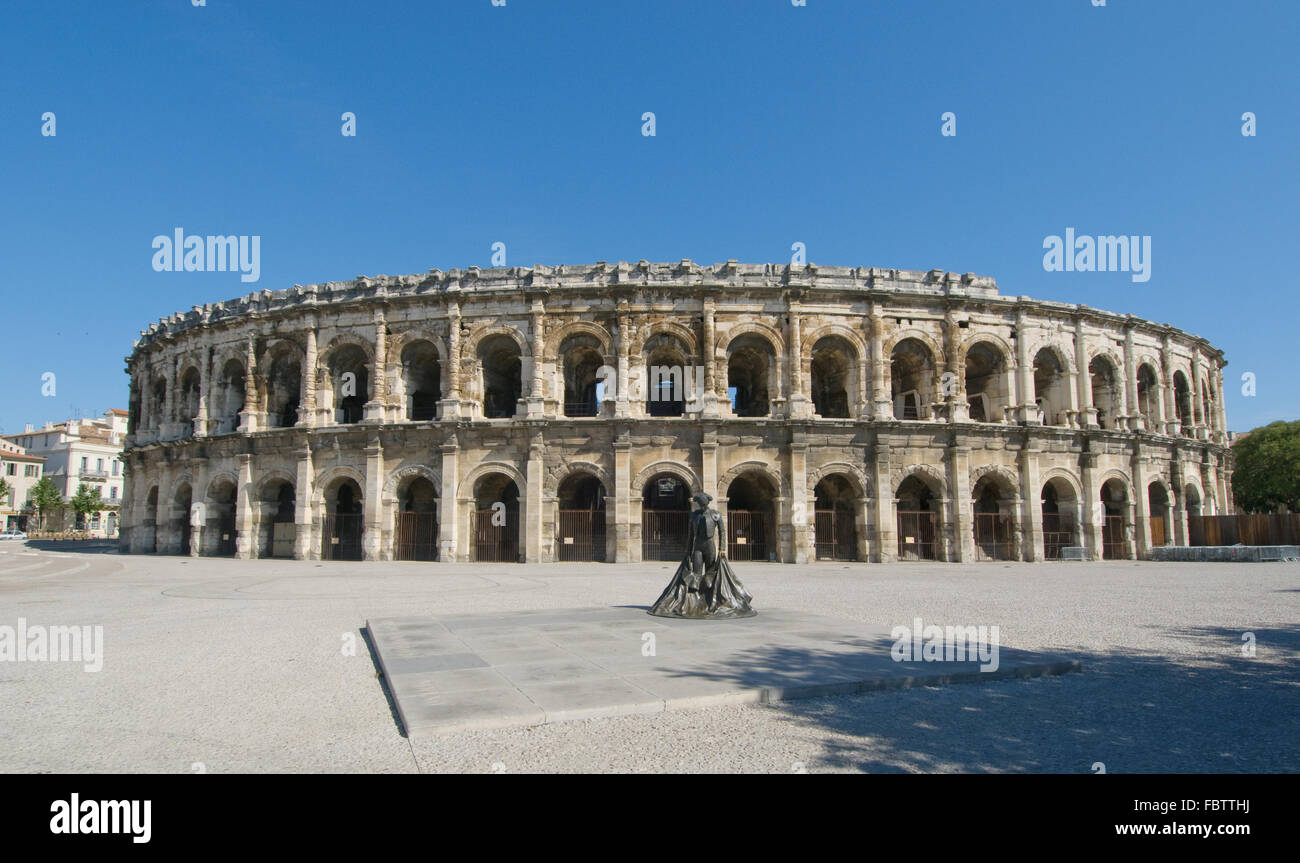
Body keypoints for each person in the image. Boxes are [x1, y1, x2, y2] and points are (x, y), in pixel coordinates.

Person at [648, 492, 756, 619]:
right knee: (696, 573)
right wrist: (688, 551)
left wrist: (722, 548)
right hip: (698, 546)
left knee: (711, 573)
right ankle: (696, 600)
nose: (701, 505)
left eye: (702, 503)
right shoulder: (694, 515)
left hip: (710, 546)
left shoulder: (716, 514)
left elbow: (722, 531)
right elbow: (691, 535)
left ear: (706, 503)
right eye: (699, 503)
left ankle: (710, 599)